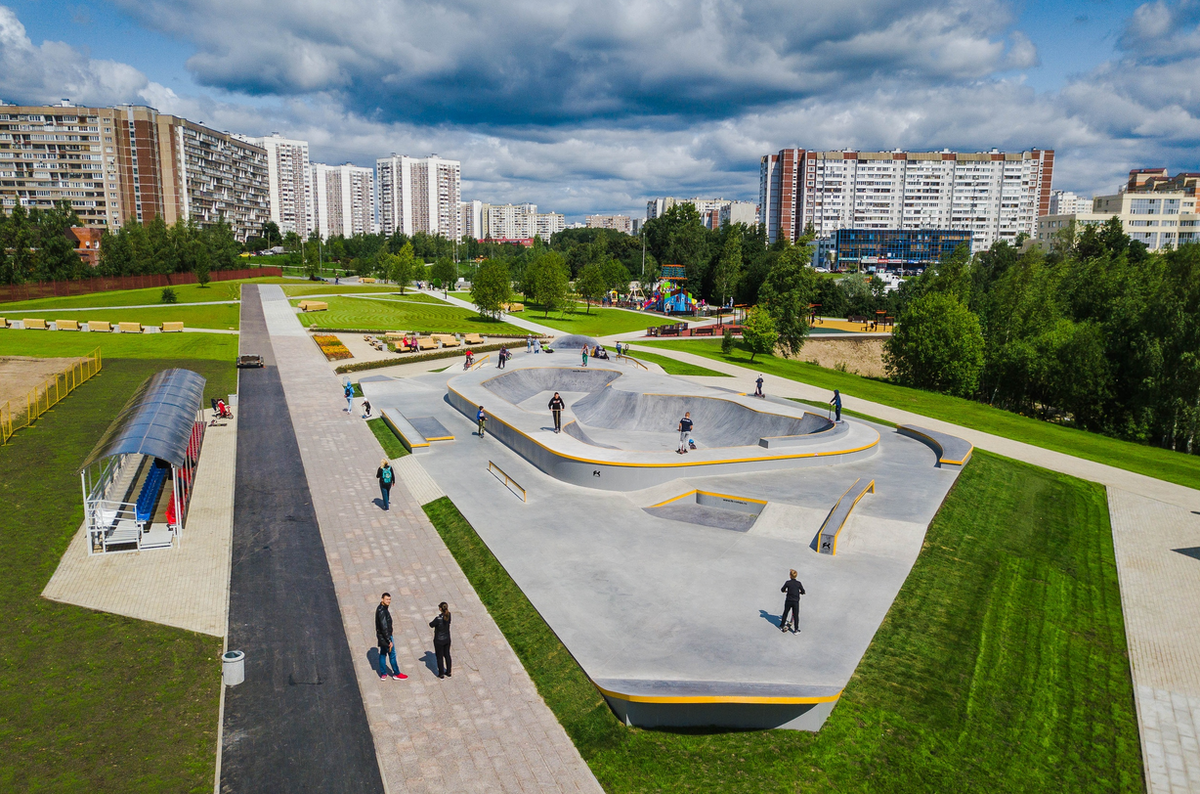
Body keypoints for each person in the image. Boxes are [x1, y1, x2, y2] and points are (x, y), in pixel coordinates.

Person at [375, 593, 408, 680]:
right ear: (382, 599)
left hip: (381, 637)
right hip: (386, 637)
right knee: (392, 654)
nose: (388, 601)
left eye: (389, 599)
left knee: (382, 654)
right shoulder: (382, 611)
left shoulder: (380, 608)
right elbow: (384, 627)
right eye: (387, 599)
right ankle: (396, 673)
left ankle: (383, 674)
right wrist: (389, 640)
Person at [429, 601, 453, 678]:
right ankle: (449, 671)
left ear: (440, 609)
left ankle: (441, 673)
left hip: (439, 640)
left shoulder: (438, 619)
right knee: (447, 655)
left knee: (439, 657)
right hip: (447, 639)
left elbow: (431, 625)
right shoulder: (449, 615)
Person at [780, 569, 805, 633]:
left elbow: (782, 589)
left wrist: (785, 591)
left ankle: (782, 625)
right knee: (796, 615)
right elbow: (803, 591)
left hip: (788, 600)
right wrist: (800, 592)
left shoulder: (788, 583)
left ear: (790, 576)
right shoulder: (798, 583)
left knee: (785, 613)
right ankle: (796, 629)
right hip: (795, 601)